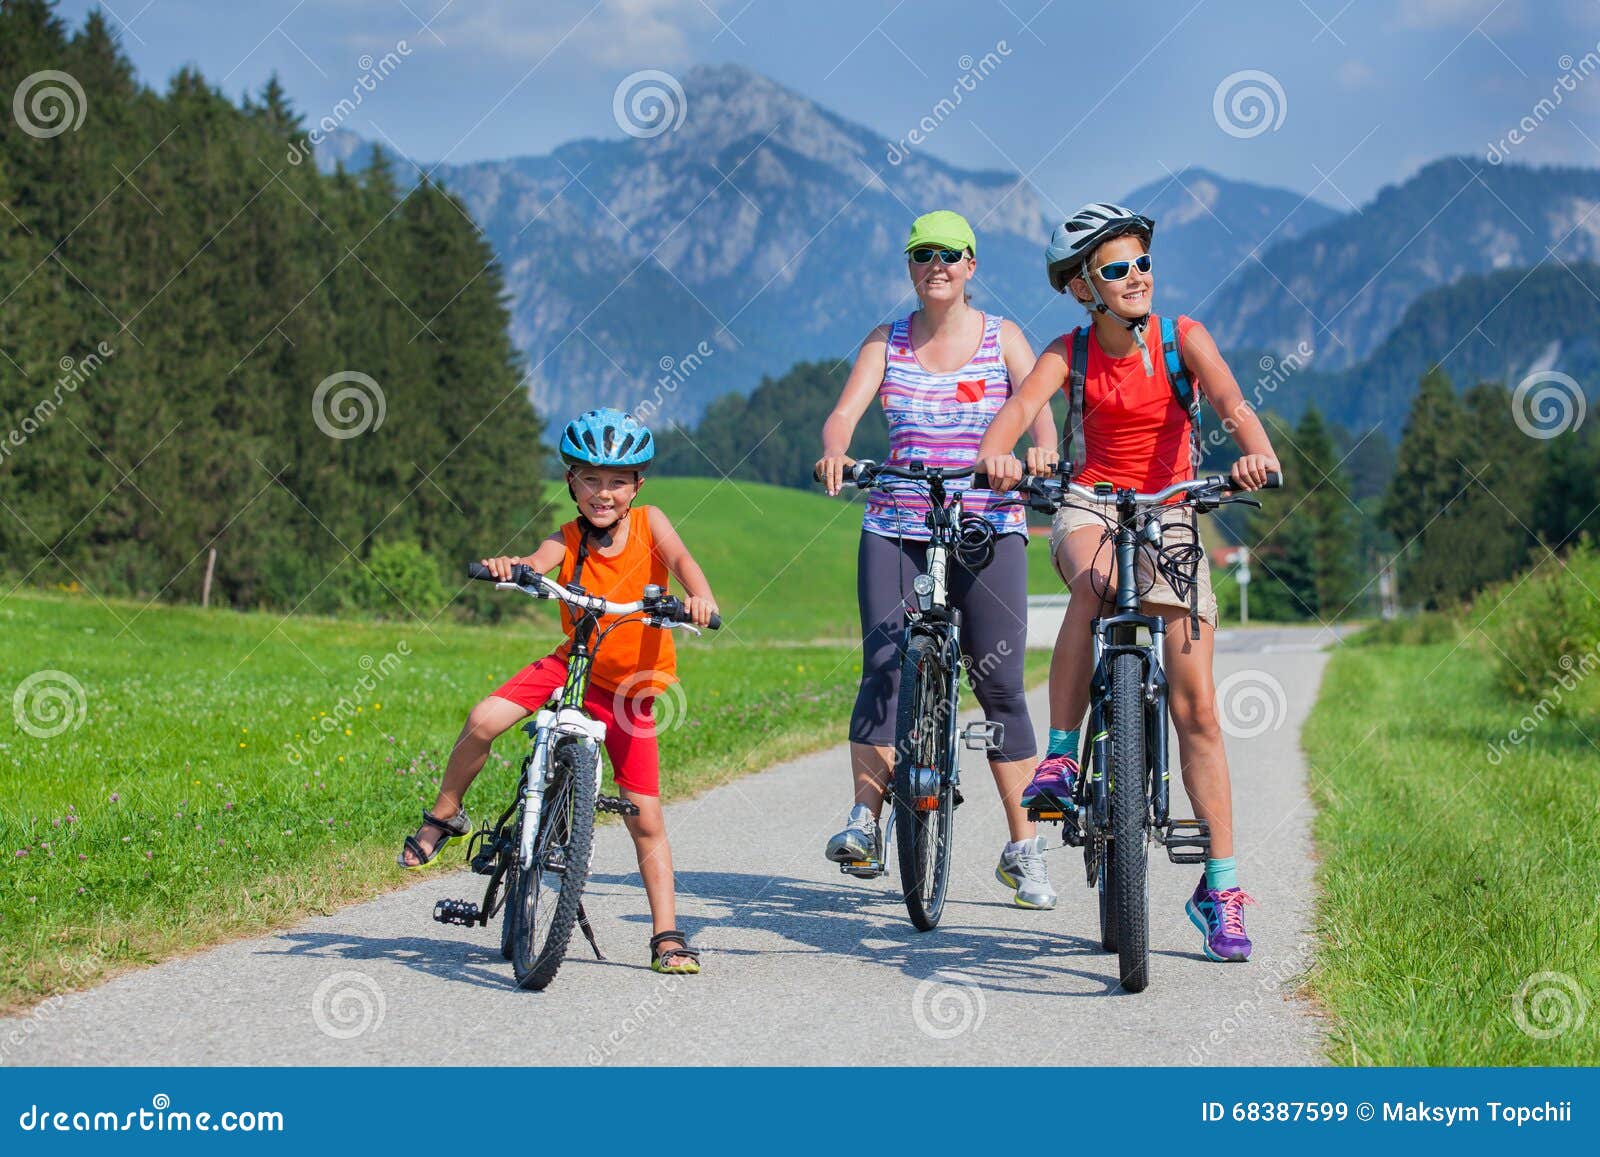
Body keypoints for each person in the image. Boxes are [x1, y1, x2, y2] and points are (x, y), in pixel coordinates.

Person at [974, 202, 1280, 962]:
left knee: (1197, 706)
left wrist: (1256, 453)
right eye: (1117, 268)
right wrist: (1002, 455)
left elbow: (1235, 405)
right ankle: (1059, 754)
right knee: (1100, 583)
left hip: (1173, 507)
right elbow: (1015, 411)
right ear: (1084, 286)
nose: (1136, 276)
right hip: (1091, 503)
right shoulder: (1068, 352)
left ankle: (1222, 887)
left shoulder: (1185, 340)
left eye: (1143, 261)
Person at [396, 408, 719, 975]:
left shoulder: (652, 523)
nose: (603, 492)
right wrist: (512, 567)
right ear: (571, 482)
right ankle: (445, 815)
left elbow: (685, 562)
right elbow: (537, 561)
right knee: (482, 719)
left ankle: (666, 934)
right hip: (573, 666)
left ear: (636, 487)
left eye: (617, 481)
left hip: (631, 692)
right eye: (590, 478)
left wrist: (699, 598)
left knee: (644, 816)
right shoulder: (566, 537)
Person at [815, 209, 1063, 909]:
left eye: (951, 254)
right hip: (898, 520)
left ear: (972, 265)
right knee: (885, 670)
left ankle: (1023, 850)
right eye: (923, 254)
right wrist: (837, 446)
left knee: (1001, 686)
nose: (938, 265)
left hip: (986, 522)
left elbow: (1041, 406)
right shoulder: (885, 341)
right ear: (910, 267)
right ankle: (866, 818)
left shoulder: (1004, 338)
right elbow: (844, 412)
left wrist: (1038, 447)